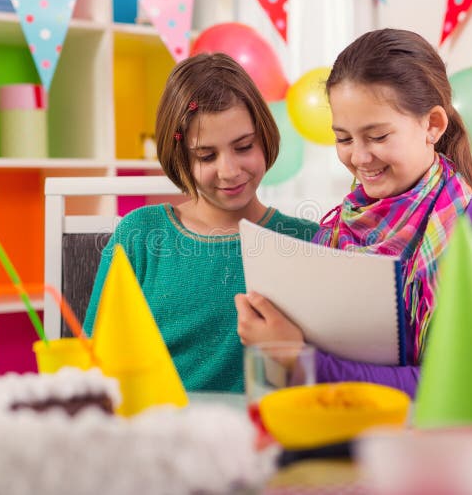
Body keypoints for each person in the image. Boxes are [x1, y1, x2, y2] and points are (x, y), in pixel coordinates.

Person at [236, 29, 472, 397]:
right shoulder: (336, 230)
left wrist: (299, 358)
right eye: (344, 138)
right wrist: (271, 343)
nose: (358, 157)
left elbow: (458, 388)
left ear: (432, 125)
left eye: (378, 136)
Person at [84, 53, 318, 392]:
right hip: (167, 434)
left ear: (264, 137)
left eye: (244, 146)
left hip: (267, 432)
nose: (230, 170)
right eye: (206, 156)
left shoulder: (307, 240)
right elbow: (97, 362)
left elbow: (327, 375)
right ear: (180, 159)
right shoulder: (141, 235)